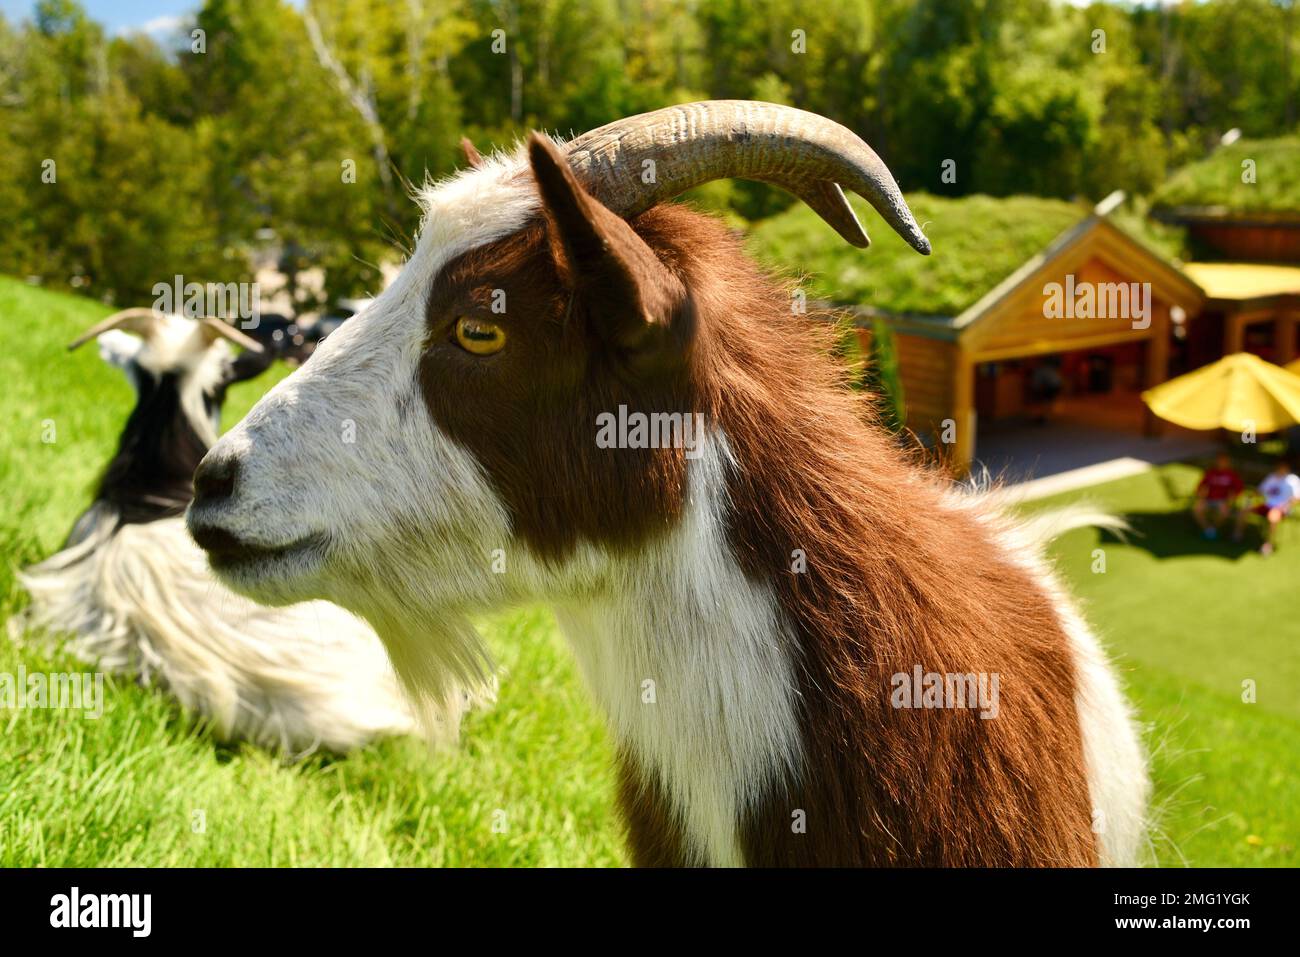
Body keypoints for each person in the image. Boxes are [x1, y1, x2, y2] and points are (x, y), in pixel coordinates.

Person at [1235, 459, 1300, 556]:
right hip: (1267, 505)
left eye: (1283, 467)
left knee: (1273, 517)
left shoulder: (1293, 480)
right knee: (1245, 509)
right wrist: (1252, 497)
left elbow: (1297, 497)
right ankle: (1237, 535)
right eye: (1279, 467)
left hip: (1281, 508)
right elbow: (1260, 490)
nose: (1281, 469)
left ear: (1287, 468)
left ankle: (1268, 544)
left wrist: (1286, 505)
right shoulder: (1272, 477)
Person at [1192, 452, 1244, 539]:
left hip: (1223, 500)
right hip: (1208, 499)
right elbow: (1201, 486)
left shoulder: (1231, 475)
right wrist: (1201, 497)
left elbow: (1239, 489)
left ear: (1228, 463)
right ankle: (1207, 528)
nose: (1222, 463)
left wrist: (1231, 498)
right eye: (1220, 461)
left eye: (1224, 461)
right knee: (1197, 509)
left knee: (1224, 511)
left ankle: (1214, 528)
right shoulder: (1211, 473)